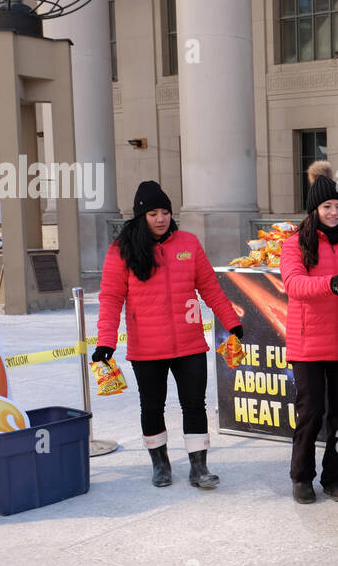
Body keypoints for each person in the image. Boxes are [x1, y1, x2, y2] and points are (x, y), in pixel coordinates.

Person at [93, 180, 242, 489]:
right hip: (146, 347)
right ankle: (160, 463)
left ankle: (198, 467)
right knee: (152, 406)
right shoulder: (122, 250)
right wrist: (105, 342)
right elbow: (110, 298)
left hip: (189, 344)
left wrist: (232, 322)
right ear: (140, 216)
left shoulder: (188, 242)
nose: (160, 219)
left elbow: (210, 288)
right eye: (153, 214)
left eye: (165, 212)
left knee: (194, 404)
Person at [281, 173, 338, 504]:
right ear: (314, 208)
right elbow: (293, 285)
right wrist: (331, 283)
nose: (334, 212)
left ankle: (337, 476)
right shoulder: (295, 244)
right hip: (308, 344)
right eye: (327, 206)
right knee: (311, 412)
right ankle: (301, 476)